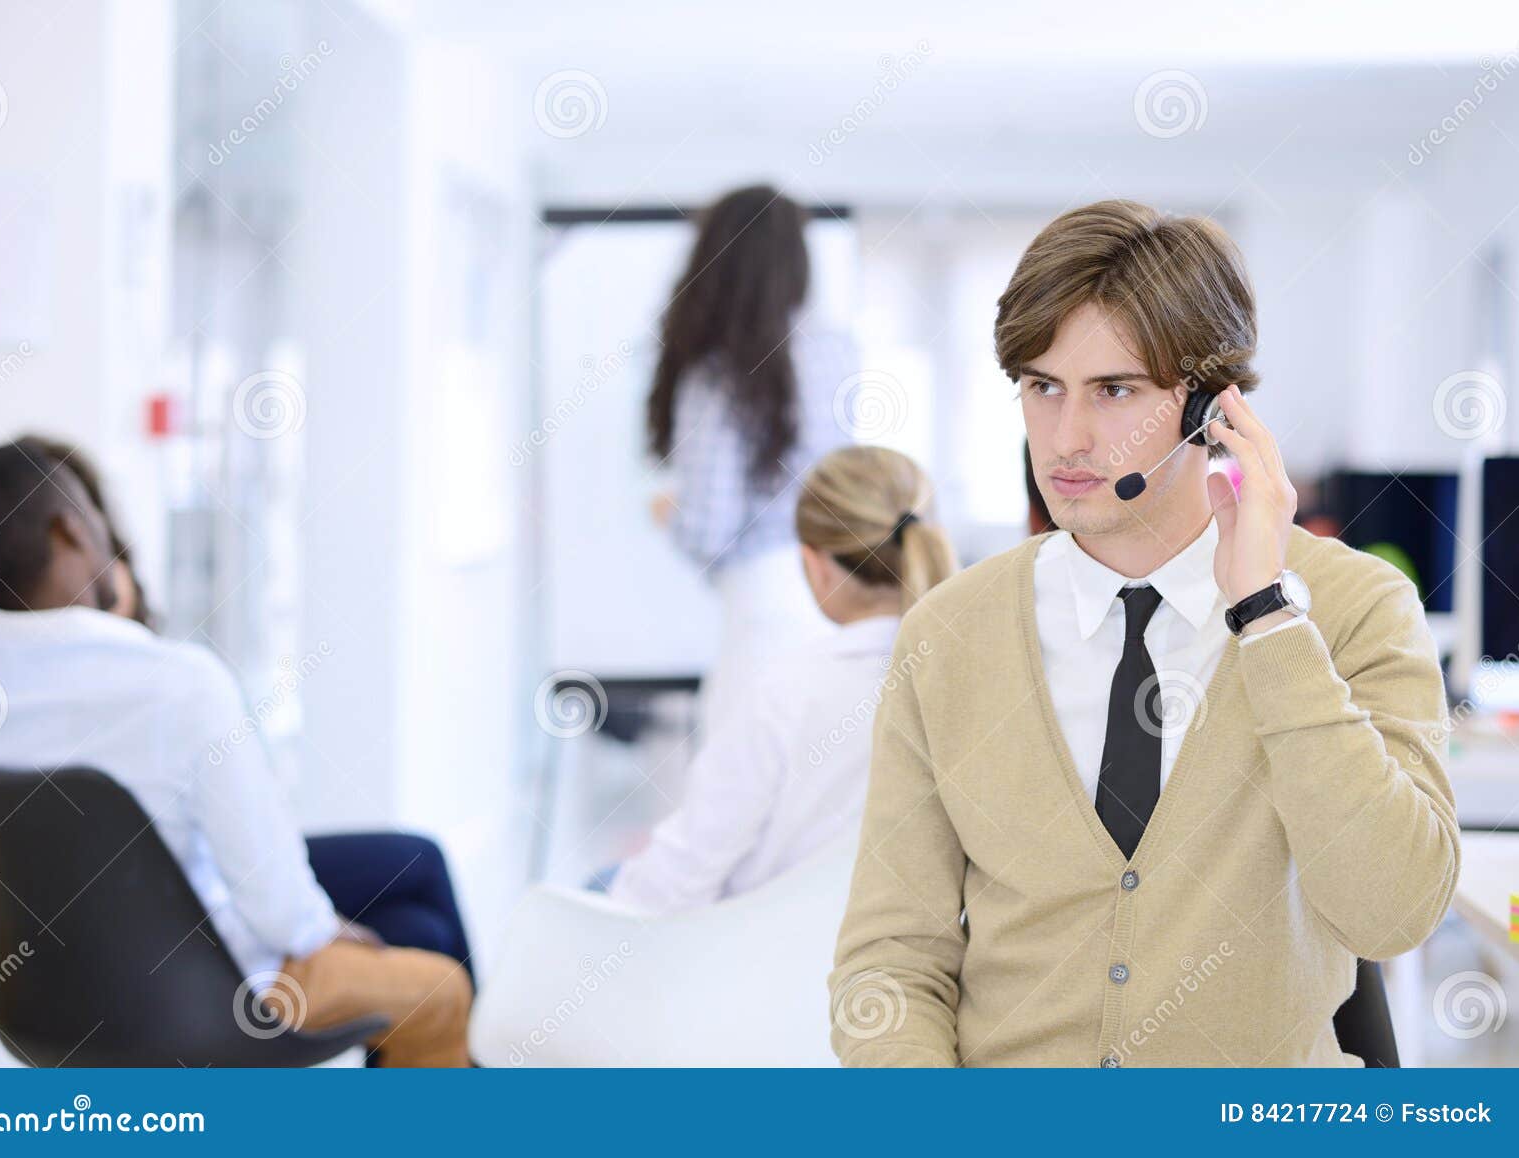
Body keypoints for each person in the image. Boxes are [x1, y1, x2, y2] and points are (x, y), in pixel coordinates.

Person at [828, 200, 1459, 1067]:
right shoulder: (949, 632)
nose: (1066, 438)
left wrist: (1268, 618)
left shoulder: (1356, 609)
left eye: (1114, 391)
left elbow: (1393, 911)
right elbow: (892, 959)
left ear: (1207, 406)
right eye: (1041, 388)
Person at [0, 440, 472, 1065]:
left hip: (55, 1002)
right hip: (212, 998)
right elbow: (275, 908)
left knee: (414, 901)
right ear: (70, 532)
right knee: (439, 988)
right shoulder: (179, 681)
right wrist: (323, 931)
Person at [608, 446, 957, 913]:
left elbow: (675, 880)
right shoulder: (980, 679)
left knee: (601, 885)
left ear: (814, 564)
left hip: (768, 967)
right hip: (909, 967)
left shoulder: (785, 694)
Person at [645, 184, 859, 737]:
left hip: (763, 608)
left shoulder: (717, 374)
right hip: (837, 596)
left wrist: (669, 512)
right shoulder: (836, 350)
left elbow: (707, 528)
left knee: (736, 804)